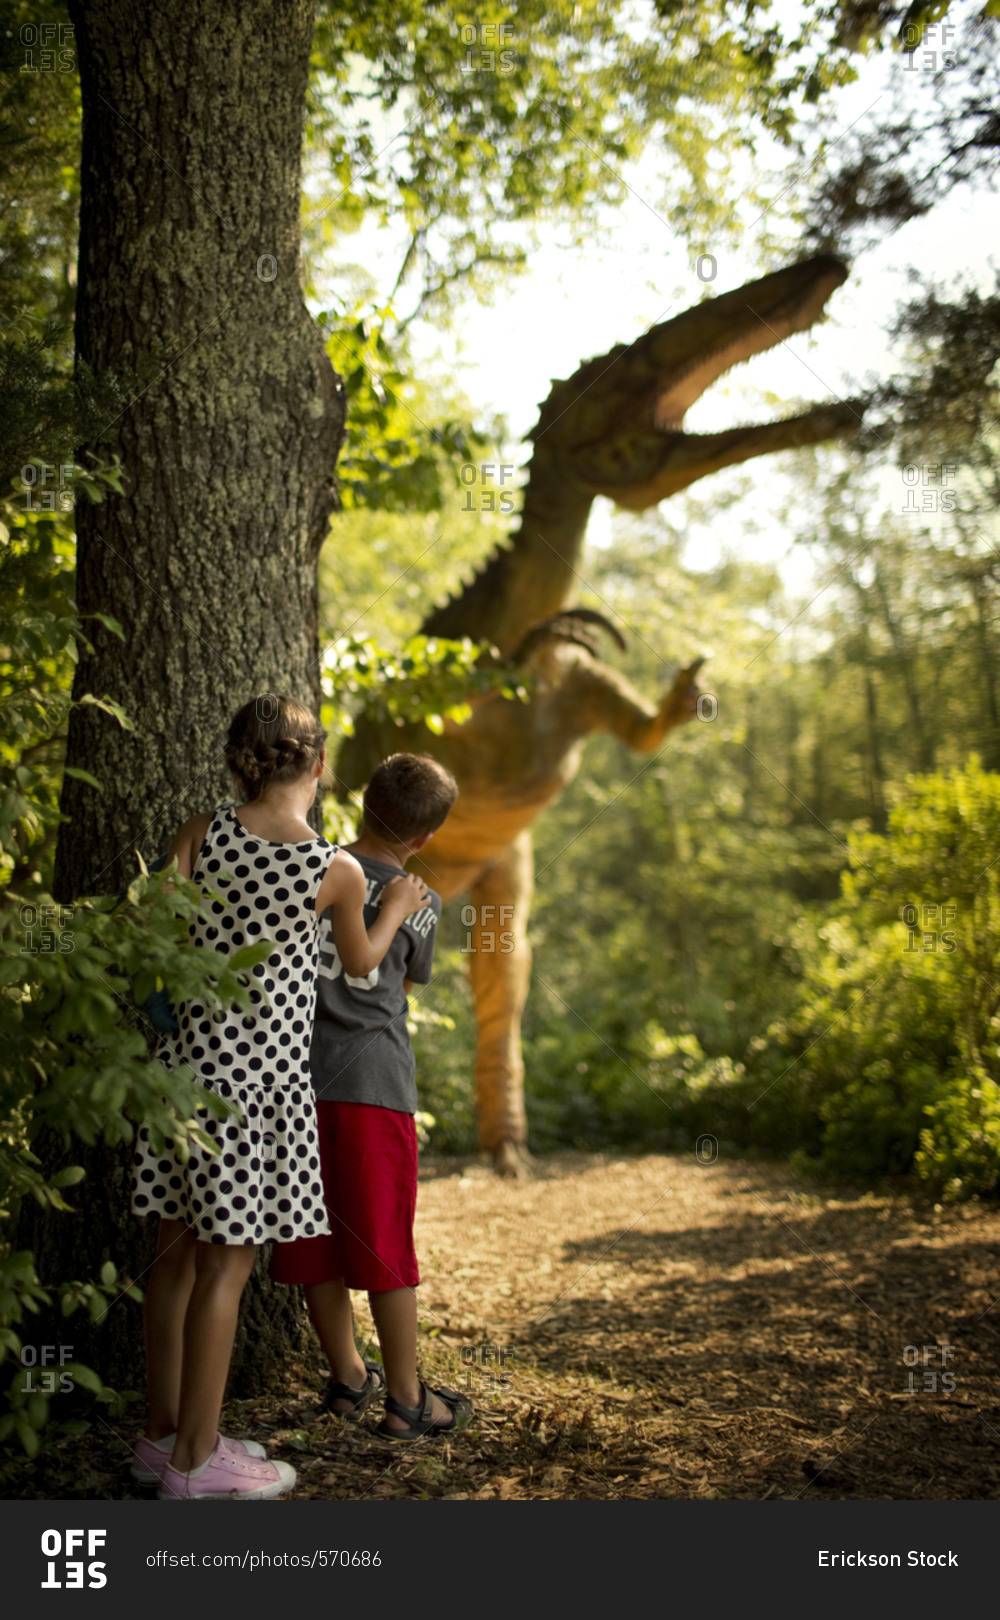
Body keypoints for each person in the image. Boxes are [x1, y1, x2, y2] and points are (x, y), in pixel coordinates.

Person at [130, 697, 429, 1500]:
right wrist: (397, 909)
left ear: (244, 760)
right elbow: (361, 963)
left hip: (181, 1075)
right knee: (225, 1271)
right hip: (257, 1090)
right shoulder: (338, 870)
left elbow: (153, 933)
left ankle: (163, 1436)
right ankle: (196, 1464)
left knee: (172, 1261)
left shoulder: (200, 833)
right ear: (319, 765)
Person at [271, 752, 470, 1440]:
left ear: (361, 804)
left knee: (313, 1234)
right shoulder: (421, 903)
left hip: (295, 1081)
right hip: (374, 1086)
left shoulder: (311, 868)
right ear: (425, 837)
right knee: (385, 1244)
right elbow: (399, 990)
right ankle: (407, 1402)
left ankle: (349, 1377)